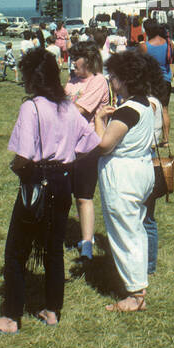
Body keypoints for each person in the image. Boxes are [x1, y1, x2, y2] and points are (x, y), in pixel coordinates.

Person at [0, 49, 98, 334]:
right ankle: (52, 310)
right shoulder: (69, 107)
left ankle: (10, 317)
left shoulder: (31, 108)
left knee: (16, 249)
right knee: (53, 249)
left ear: (32, 78)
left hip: (38, 181)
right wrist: (67, 156)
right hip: (64, 181)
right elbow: (91, 141)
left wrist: (16, 167)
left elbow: (25, 156)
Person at [92, 50, 158, 312]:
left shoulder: (126, 111)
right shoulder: (145, 104)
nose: (112, 82)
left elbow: (104, 145)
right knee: (136, 229)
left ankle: (135, 295)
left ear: (125, 79)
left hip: (123, 176)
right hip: (141, 171)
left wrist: (99, 120)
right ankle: (138, 283)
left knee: (124, 233)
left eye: (114, 77)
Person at [65, 41, 109, 259]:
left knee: (84, 196)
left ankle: (87, 243)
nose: (72, 63)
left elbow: (79, 109)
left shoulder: (99, 81)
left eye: (77, 59)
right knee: (69, 194)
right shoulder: (73, 80)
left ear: (89, 61)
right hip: (68, 145)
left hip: (88, 147)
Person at [141, 54, 171, 277]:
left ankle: (149, 264)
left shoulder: (148, 103)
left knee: (147, 216)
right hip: (147, 153)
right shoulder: (155, 101)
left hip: (146, 157)